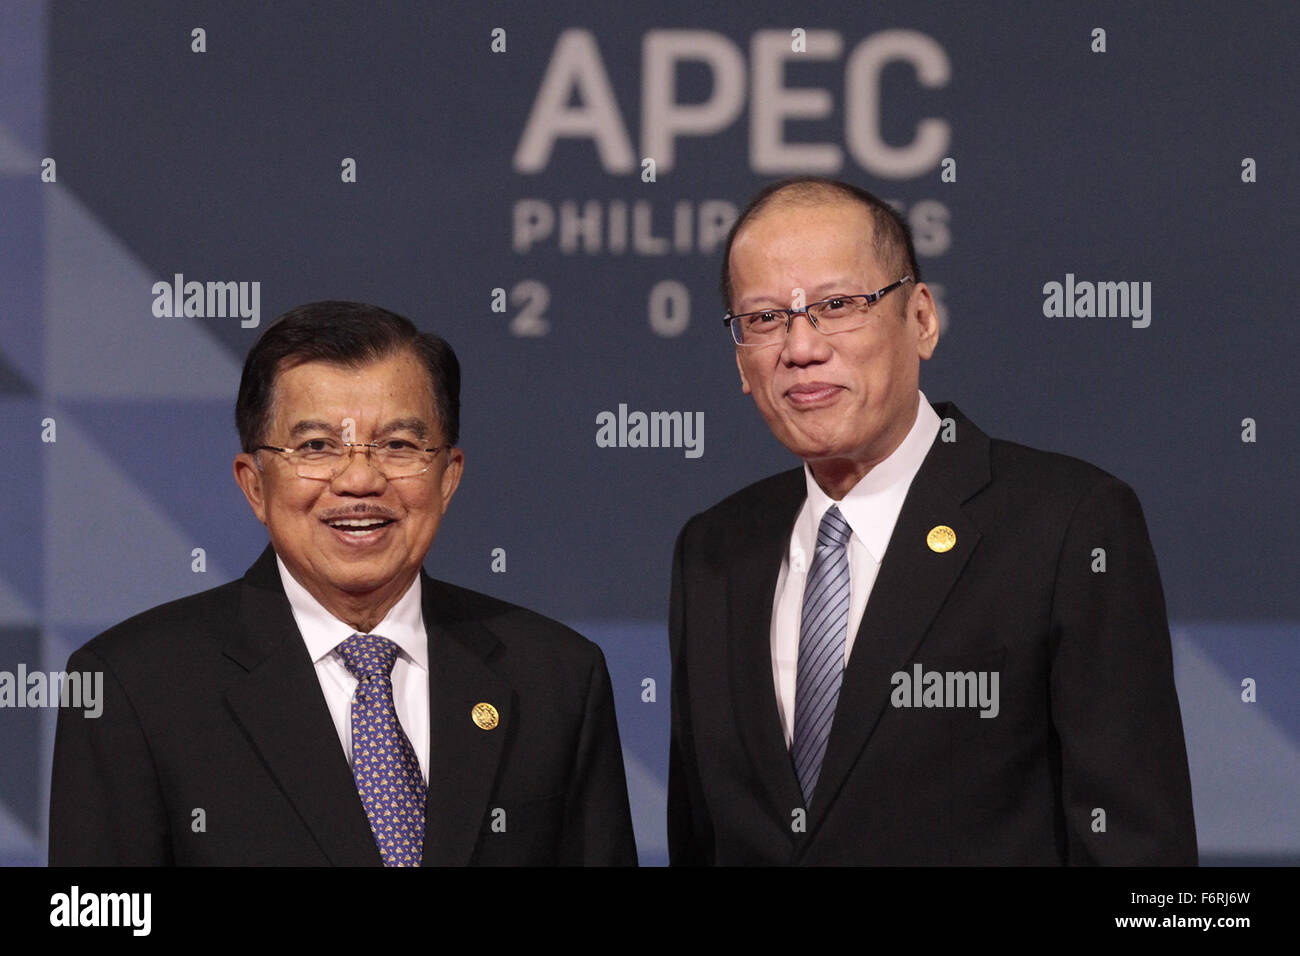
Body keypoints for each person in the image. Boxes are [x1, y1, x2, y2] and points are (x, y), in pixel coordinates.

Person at [667, 177, 1197, 865]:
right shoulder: (712, 551)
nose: (800, 347)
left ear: (921, 319)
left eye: (836, 305)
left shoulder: (1066, 525)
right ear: (741, 359)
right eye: (765, 319)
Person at [50, 301, 637, 866]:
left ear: (448, 477)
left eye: (399, 446)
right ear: (254, 484)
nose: (359, 479)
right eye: (317, 447)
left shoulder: (556, 678)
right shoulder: (132, 688)